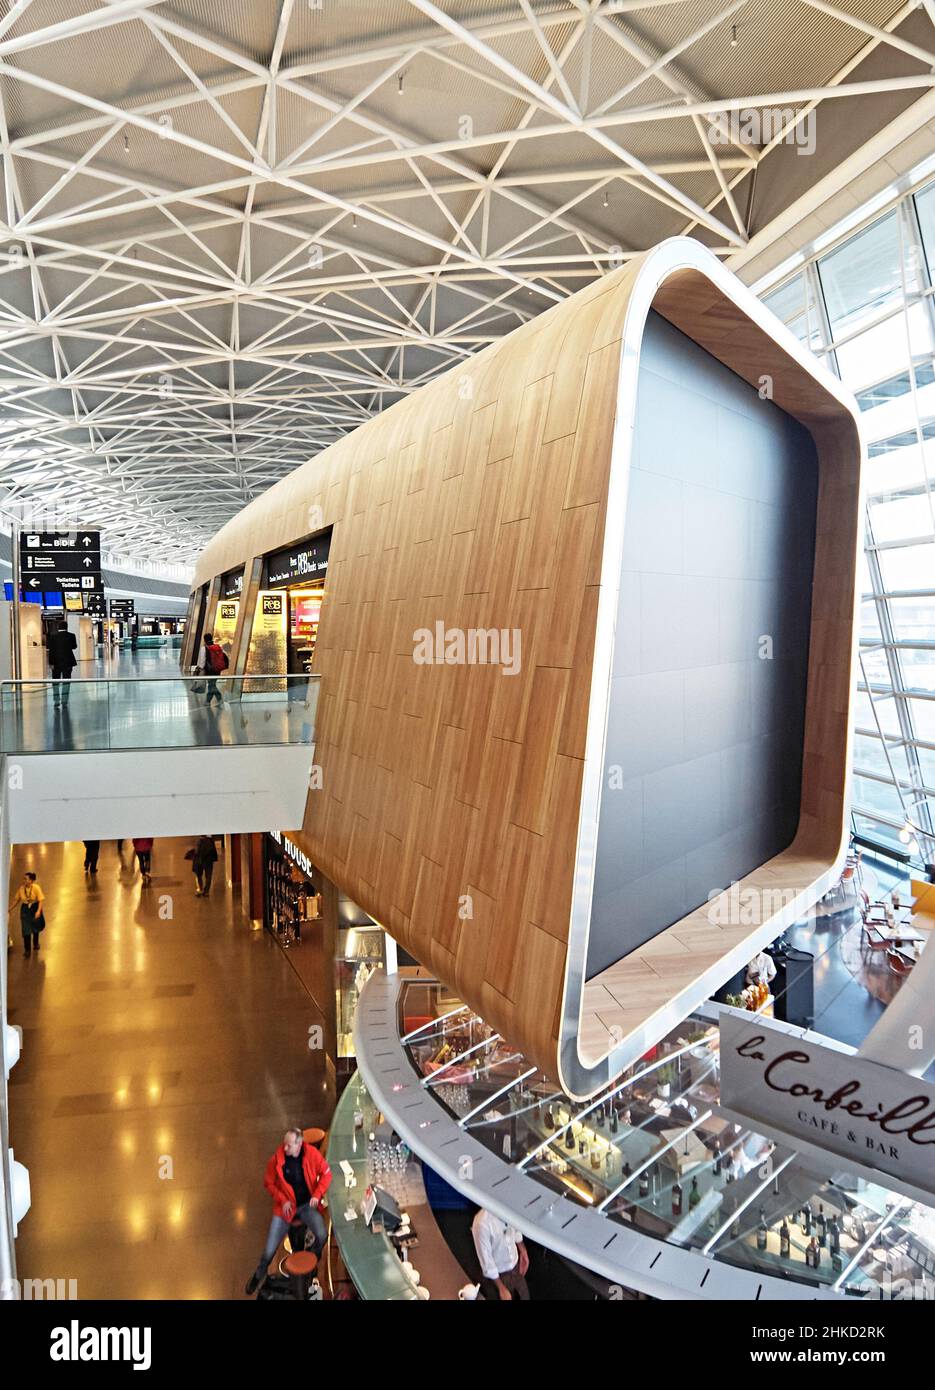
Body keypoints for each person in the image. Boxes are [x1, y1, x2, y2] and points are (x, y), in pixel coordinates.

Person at [245, 1127, 332, 1296]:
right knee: (269, 1249)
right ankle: (258, 1274)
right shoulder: (276, 1161)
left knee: (322, 1235)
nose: (285, 1148)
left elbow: (327, 1173)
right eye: (285, 1144)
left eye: (289, 1145)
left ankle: (311, 1259)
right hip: (286, 1210)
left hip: (306, 1206)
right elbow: (268, 1183)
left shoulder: (312, 1154)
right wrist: (283, 1200)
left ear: (299, 1144)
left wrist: (317, 1194)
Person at [471, 1207, 530, 1300]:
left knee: (525, 1296)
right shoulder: (481, 1223)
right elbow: (487, 1262)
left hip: (516, 1267)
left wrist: (523, 1250)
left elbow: (515, 1228)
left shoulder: (509, 1206)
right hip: (498, 1276)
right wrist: (501, 1288)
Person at [9, 871, 46, 957]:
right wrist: (9, 909)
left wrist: (38, 911)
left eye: (26, 879)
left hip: (35, 907)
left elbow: (41, 900)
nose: (24, 880)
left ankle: (36, 943)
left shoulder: (36, 888)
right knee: (26, 930)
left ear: (31, 880)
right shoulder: (21, 889)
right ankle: (27, 950)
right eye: (24, 879)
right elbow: (16, 900)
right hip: (25, 909)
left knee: (35, 927)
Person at [47, 619, 78, 706]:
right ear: (66, 627)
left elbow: (51, 651)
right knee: (66, 681)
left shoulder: (53, 636)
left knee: (55, 681)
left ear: (58, 627)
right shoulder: (71, 636)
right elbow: (74, 646)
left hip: (56, 662)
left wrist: (51, 663)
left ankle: (56, 700)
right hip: (68, 661)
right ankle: (65, 701)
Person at [194, 631, 228, 706]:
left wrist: (199, 668)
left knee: (212, 685)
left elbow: (202, 661)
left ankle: (218, 699)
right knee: (212, 684)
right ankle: (208, 701)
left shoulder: (204, 648)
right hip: (217, 669)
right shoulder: (218, 647)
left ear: (204, 640)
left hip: (209, 670)